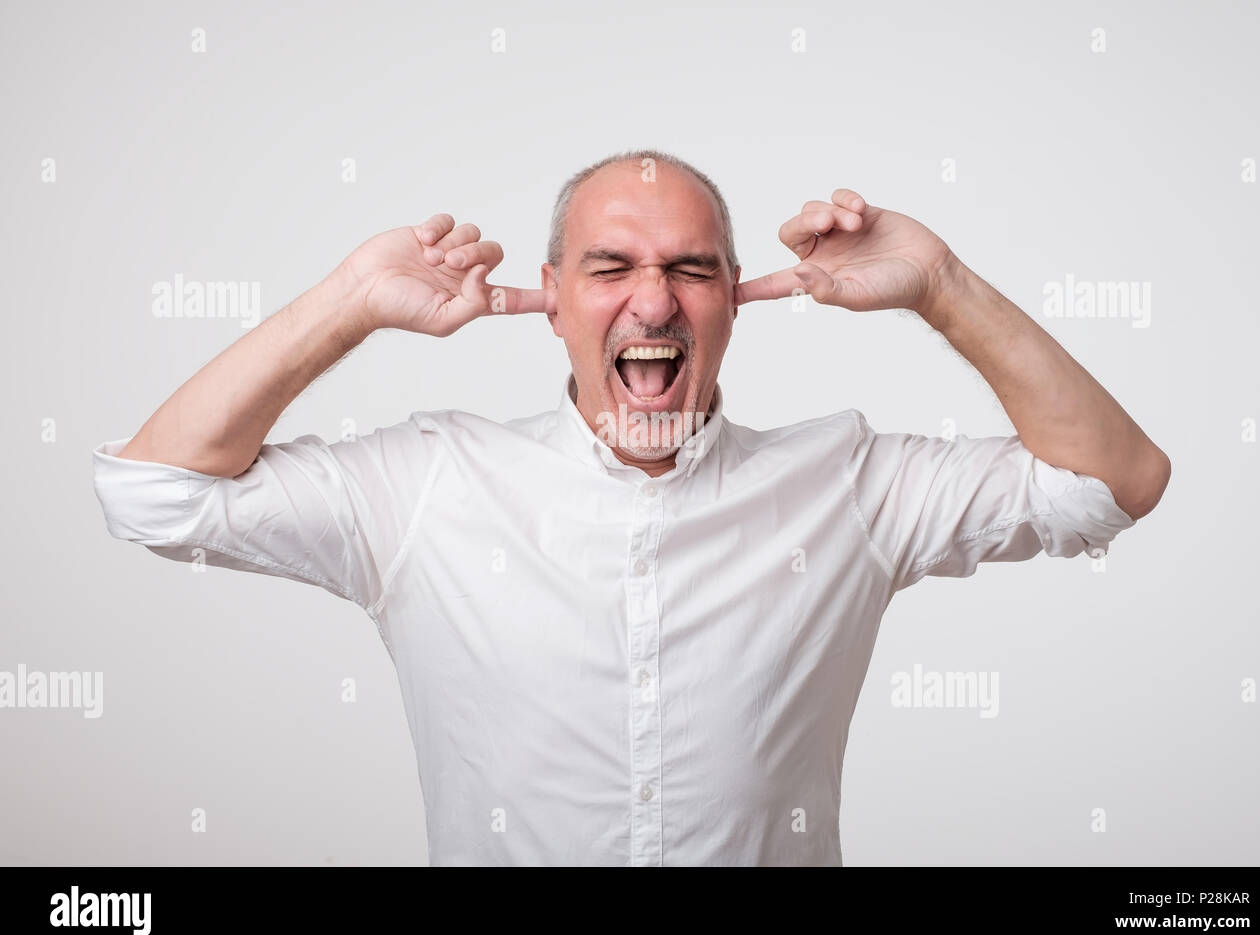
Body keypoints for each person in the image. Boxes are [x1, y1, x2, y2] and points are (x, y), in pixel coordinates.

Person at [92, 148, 1170, 865]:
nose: (652, 300)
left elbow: (1113, 480)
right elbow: (153, 491)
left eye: (690, 270)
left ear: (739, 298)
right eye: (610, 267)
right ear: (550, 297)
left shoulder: (848, 485)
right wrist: (349, 305)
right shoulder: (425, 484)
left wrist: (940, 283)